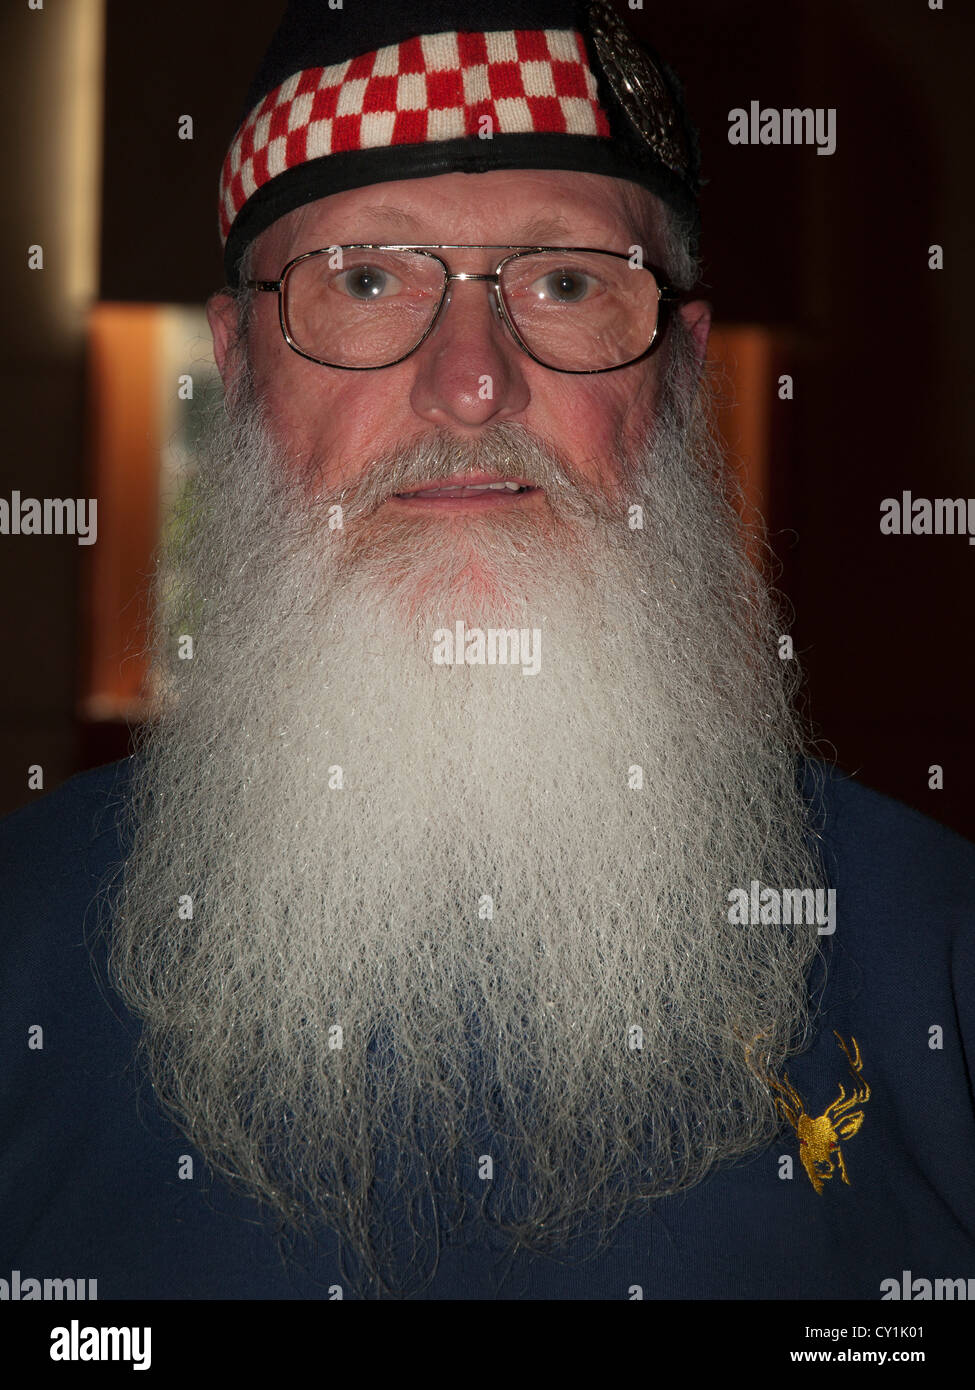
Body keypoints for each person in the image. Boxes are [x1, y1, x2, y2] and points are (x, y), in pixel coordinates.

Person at [2, 0, 973, 1302]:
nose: (472, 385)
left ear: (674, 380)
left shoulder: (939, 953)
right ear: (238, 368)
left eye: (566, 283)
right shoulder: (19, 943)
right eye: (364, 279)